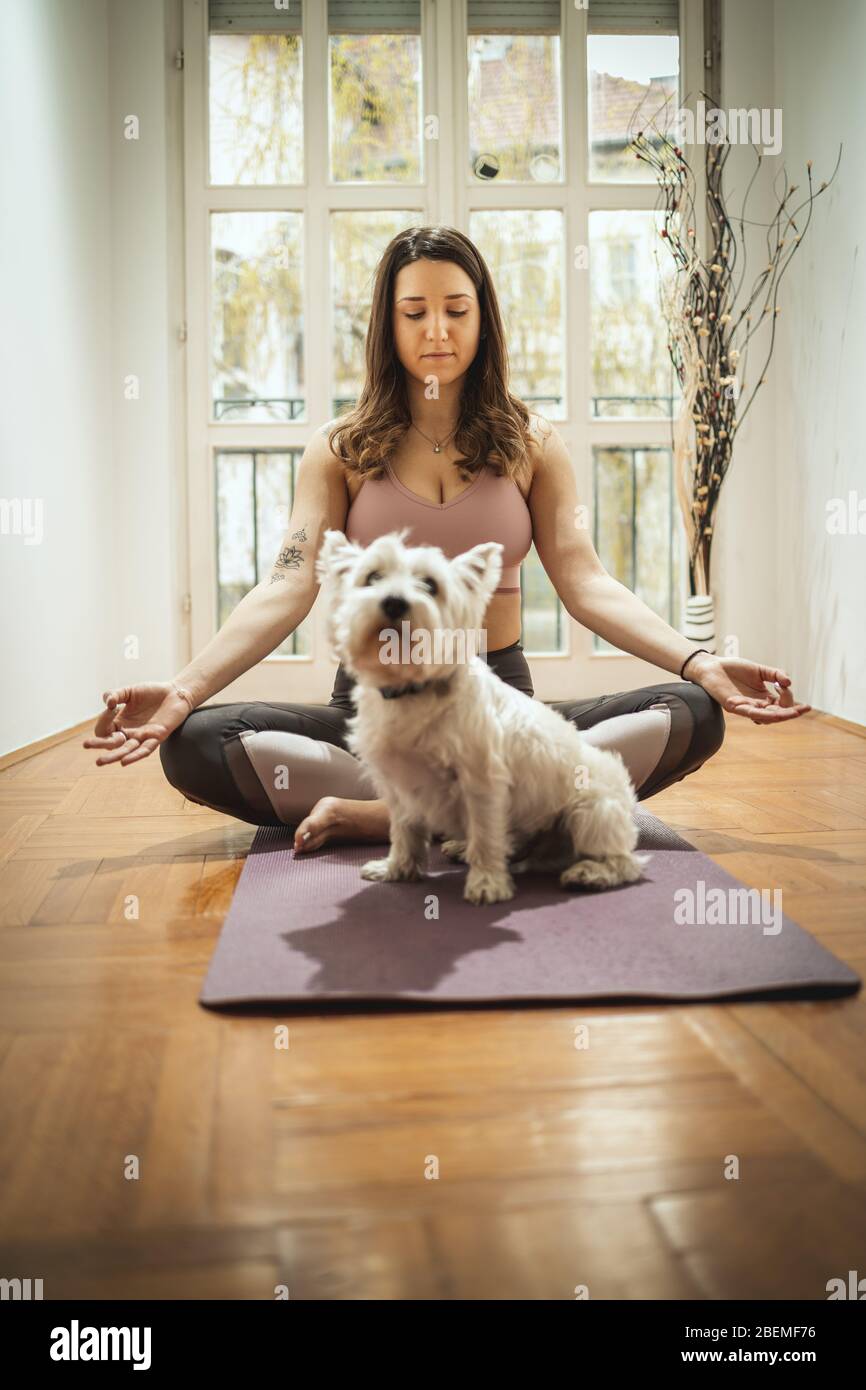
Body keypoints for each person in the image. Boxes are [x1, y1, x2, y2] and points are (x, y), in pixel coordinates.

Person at [84, 226, 811, 855]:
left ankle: (399, 817)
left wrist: (702, 662)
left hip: (499, 707)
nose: (437, 330)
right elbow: (289, 580)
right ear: (388, 325)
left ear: (483, 320)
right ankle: (489, 813)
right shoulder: (338, 447)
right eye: (416, 312)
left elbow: (584, 582)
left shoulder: (533, 442)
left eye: (456, 310)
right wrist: (183, 691)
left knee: (692, 713)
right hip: (372, 715)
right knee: (194, 746)